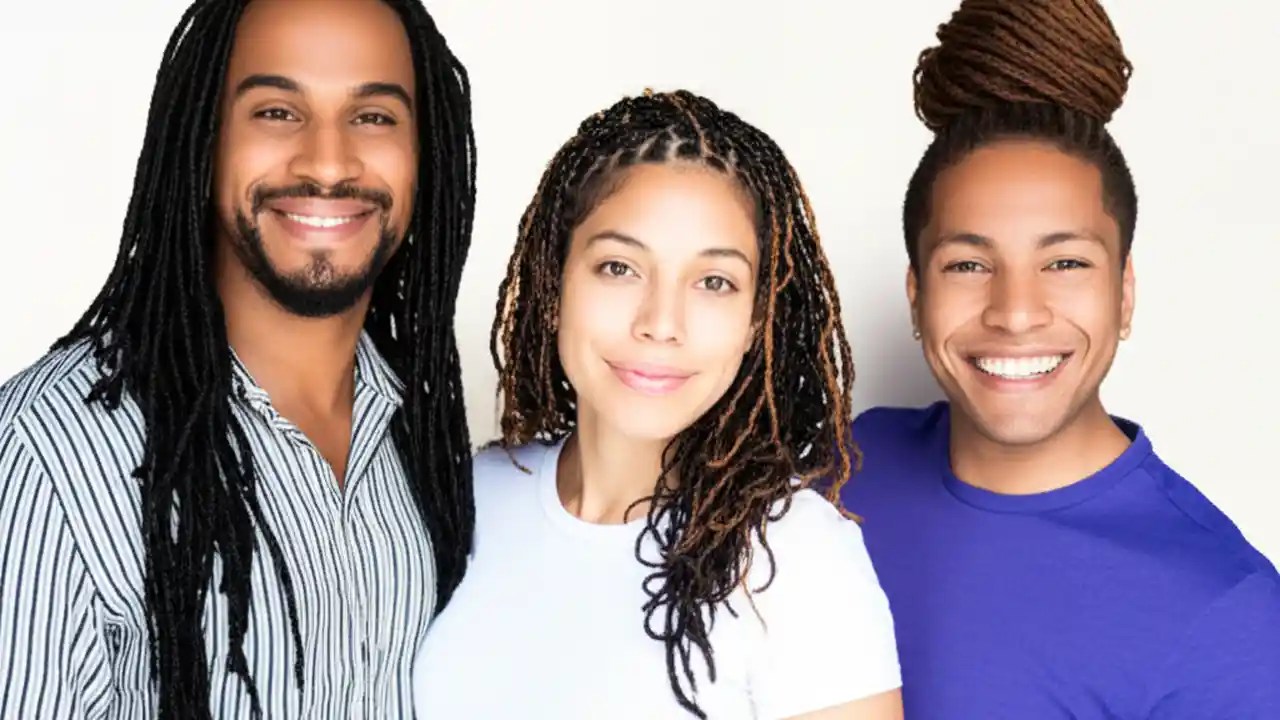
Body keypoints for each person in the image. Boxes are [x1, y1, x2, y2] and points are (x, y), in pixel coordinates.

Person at [0, 0, 476, 717]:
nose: (328, 162)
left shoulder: (427, 442)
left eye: (374, 116)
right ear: (205, 138)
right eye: (277, 111)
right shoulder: (50, 453)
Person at [839, 1, 1280, 718]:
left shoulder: (1226, 611)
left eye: (1066, 262)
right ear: (915, 297)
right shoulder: (838, 474)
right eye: (968, 265)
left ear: (1124, 292)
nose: (1016, 312)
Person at [412, 89, 903, 719]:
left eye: (714, 282)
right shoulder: (473, 496)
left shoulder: (796, 554)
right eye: (619, 268)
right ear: (555, 282)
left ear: (756, 323)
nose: (661, 322)